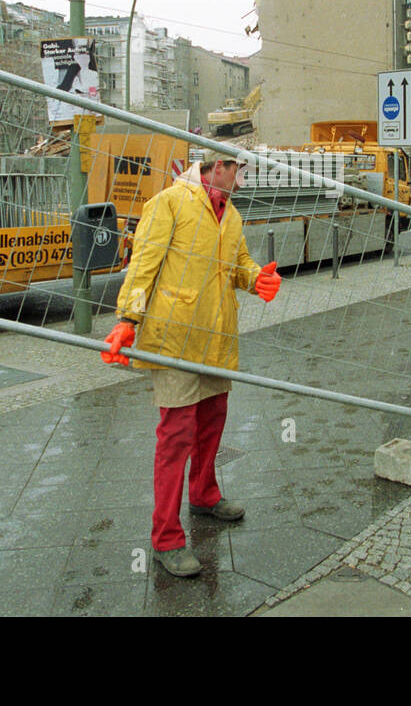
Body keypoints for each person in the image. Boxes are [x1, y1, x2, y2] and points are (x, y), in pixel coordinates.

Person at [101, 147, 281, 578]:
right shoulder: (168, 203)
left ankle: (204, 495)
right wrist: (128, 318)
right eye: (237, 172)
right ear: (217, 167)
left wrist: (256, 277)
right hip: (175, 339)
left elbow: (236, 264)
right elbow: (143, 266)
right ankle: (165, 537)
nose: (241, 181)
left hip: (216, 338)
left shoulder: (230, 214)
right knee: (176, 436)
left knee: (212, 420)